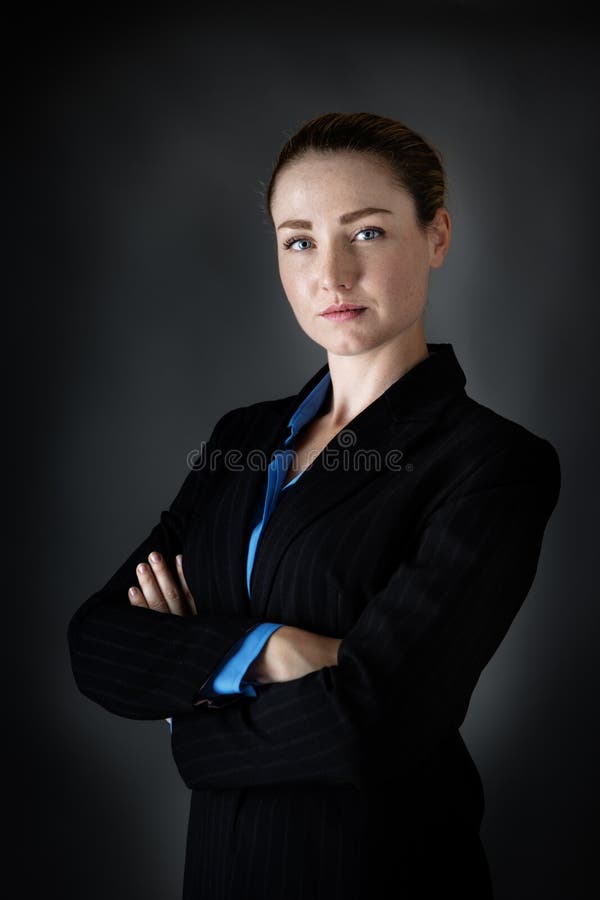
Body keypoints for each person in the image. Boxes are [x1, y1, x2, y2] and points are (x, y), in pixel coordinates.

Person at [67, 111, 561, 899]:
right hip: (223, 875)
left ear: (435, 237)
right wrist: (272, 648)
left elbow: (374, 722)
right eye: (299, 240)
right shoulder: (242, 438)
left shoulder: (492, 462)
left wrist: (193, 715)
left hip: (380, 871)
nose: (330, 275)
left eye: (365, 233)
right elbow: (97, 641)